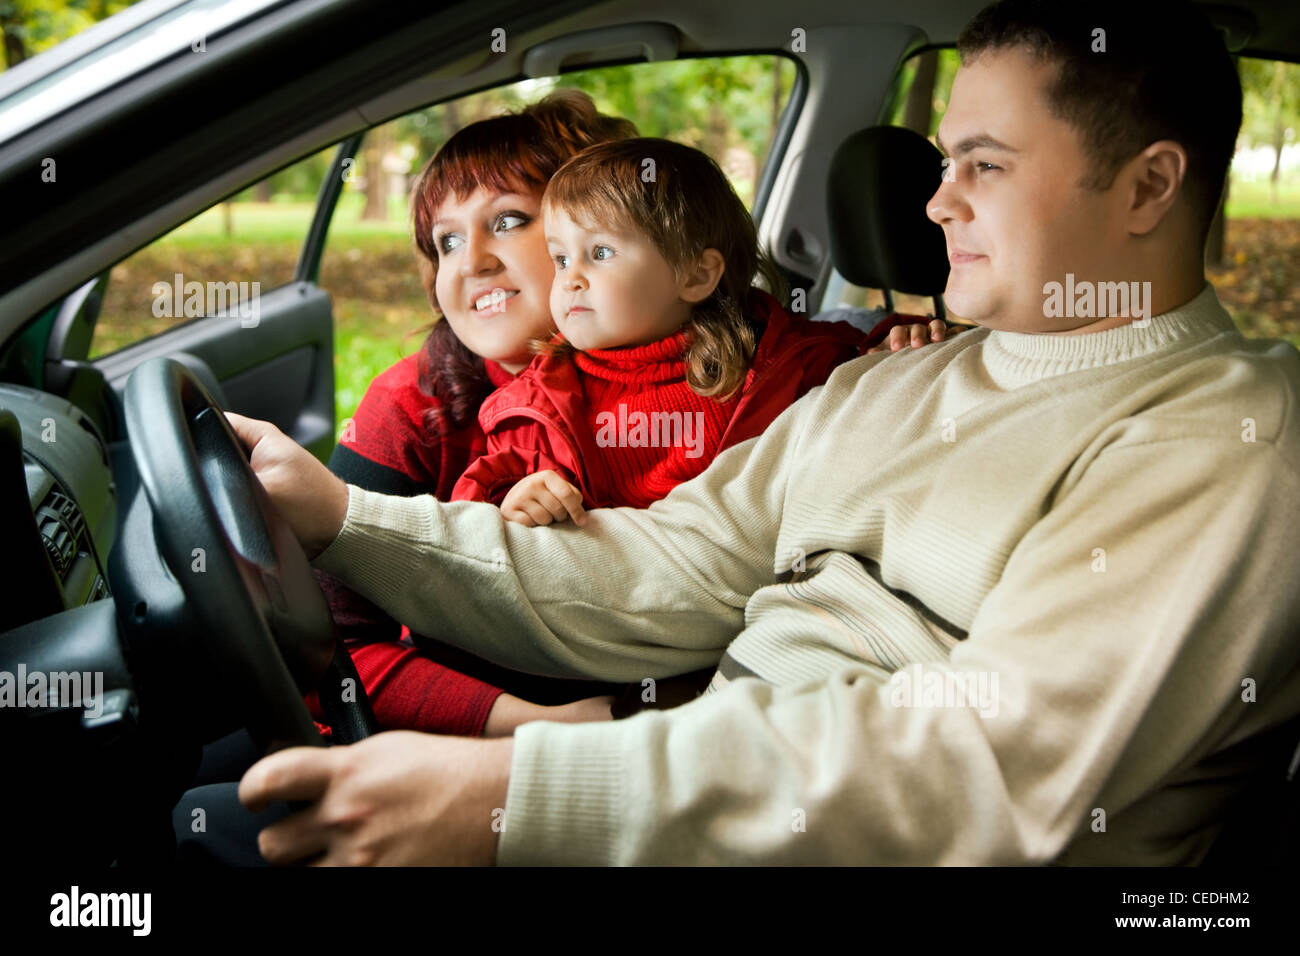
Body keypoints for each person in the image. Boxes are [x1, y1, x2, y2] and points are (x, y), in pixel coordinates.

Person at [232, 0, 1300, 867]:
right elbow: (670, 565)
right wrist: (346, 517)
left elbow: (990, 768)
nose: (935, 204)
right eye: (941, 162)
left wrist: (525, 799)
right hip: (702, 800)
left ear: (1148, 186)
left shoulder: (1226, 436)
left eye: (984, 165)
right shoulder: (896, 381)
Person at [452, 137, 869, 522]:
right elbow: (475, 515)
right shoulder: (536, 406)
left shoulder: (780, 364)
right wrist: (510, 504)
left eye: (600, 252)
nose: (569, 279)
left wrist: (899, 337)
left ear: (695, 275)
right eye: (560, 259)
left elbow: (868, 355)